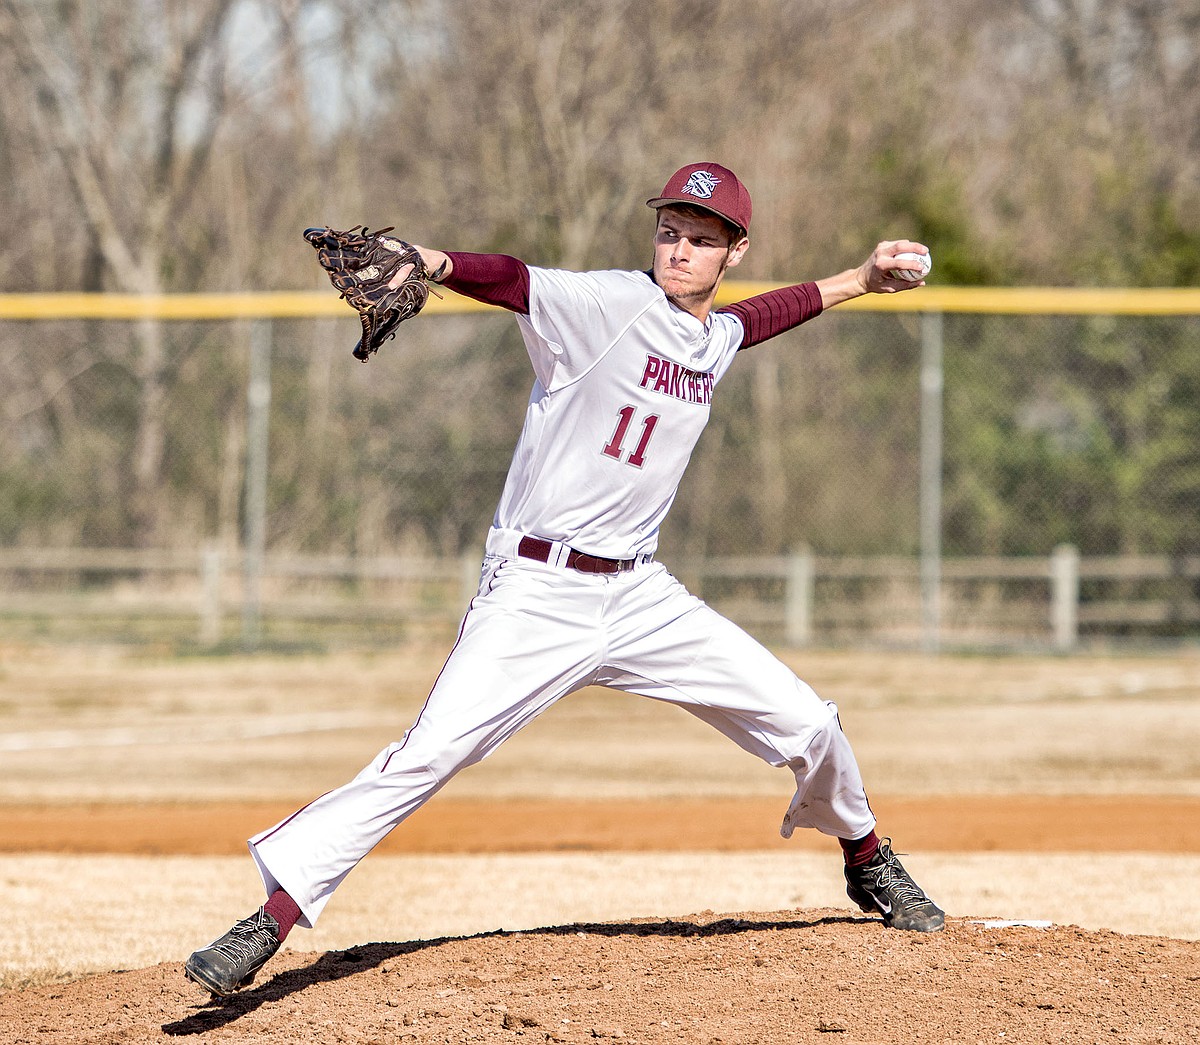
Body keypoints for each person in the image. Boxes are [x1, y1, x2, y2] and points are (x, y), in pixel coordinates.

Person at [184, 162, 944, 997]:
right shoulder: (608, 306)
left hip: (642, 596)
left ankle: (867, 856)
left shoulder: (709, 339)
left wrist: (859, 281)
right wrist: (434, 262)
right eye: (670, 230)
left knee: (809, 721)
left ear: (734, 250)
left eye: (701, 238)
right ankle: (274, 917)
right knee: (430, 753)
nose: (679, 249)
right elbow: (513, 281)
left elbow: (757, 320)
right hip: (537, 592)